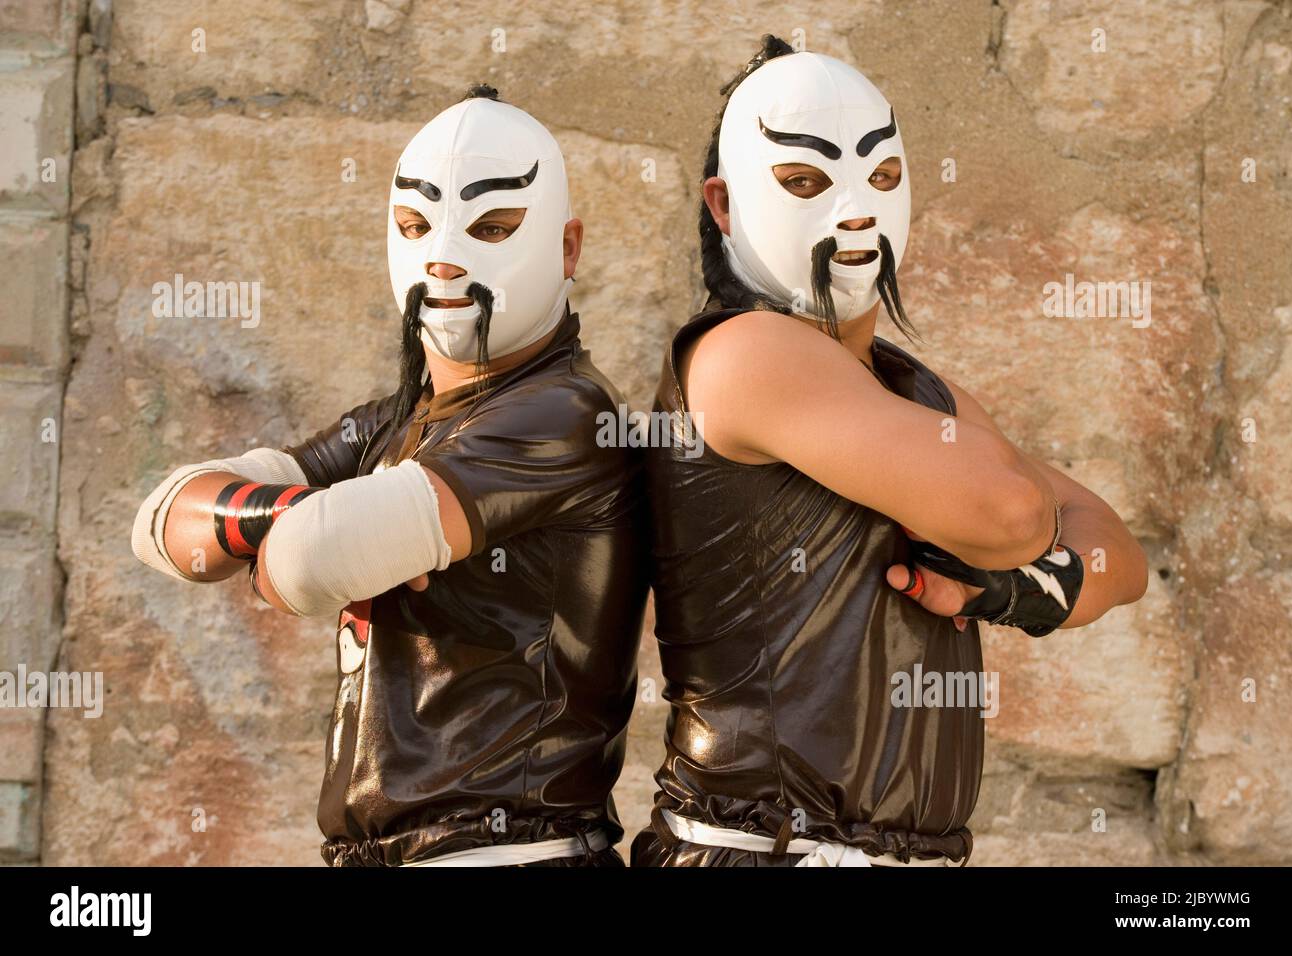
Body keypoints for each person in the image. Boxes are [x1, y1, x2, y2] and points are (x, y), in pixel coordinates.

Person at [631, 37, 1148, 867]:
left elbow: (1121, 555)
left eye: (879, 177)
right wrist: (1029, 542)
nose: (857, 211)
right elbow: (1014, 509)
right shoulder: (746, 354)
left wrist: (1016, 587)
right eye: (805, 181)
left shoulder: (907, 390)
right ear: (723, 205)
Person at [132, 85, 648, 867]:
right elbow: (163, 524)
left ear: (566, 247)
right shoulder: (389, 424)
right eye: (414, 226)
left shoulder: (564, 414)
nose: (444, 256)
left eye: (494, 226)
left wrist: (305, 533)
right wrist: (319, 519)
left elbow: (308, 563)